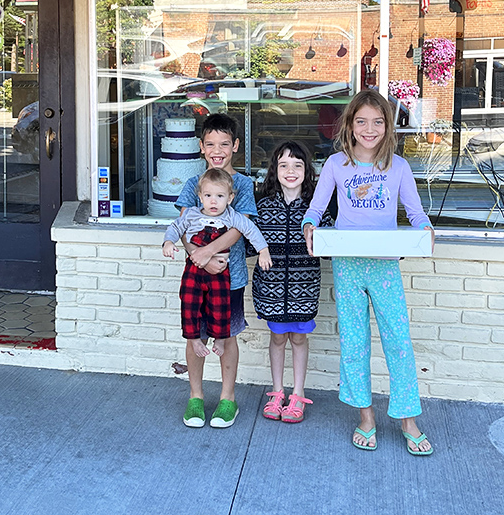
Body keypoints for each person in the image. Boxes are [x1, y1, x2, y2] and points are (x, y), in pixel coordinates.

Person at [302, 89, 435, 456]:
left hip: (385, 266)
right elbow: (314, 210)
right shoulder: (335, 165)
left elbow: (416, 211)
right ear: (349, 125)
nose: (369, 129)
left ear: (387, 126)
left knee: (398, 341)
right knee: (355, 343)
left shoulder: (399, 167)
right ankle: (365, 417)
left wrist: (426, 230)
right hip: (347, 265)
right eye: (361, 121)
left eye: (378, 121)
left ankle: (408, 418)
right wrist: (309, 227)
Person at [174, 113, 256, 429]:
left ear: (235, 145)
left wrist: (209, 251)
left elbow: (240, 228)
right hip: (196, 278)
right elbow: (184, 226)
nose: (217, 150)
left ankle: (227, 398)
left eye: (224, 143)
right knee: (195, 334)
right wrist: (199, 255)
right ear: (201, 146)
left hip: (230, 276)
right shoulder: (194, 184)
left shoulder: (244, 184)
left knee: (227, 334)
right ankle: (195, 396)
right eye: (210, 144)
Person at [163, 168, 271, 361]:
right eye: (208, 195)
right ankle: (194, 338)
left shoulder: (231, 216)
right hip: (195, 270)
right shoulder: (192, 214)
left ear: (230, 198)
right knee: (189, 304)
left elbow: (250, 230)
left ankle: (220, 339)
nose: (214, 201)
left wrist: (263, 250)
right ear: (200, 196)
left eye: (220, 196)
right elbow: (176, 227)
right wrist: (169, 242)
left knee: (221, 307)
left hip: (221, 271)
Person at [252, 141, 322, 423]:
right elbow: (249, 242)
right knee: (278, 337)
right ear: (274, 170)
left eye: (297, 165)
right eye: (283, 165)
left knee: (299, 337)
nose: (290, 171)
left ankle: (297, 393)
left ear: (307, 170)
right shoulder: (263, 206)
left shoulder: (316, 208)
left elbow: (328, 245)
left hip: (304, 288)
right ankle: (277, 391)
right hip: (270, 289)